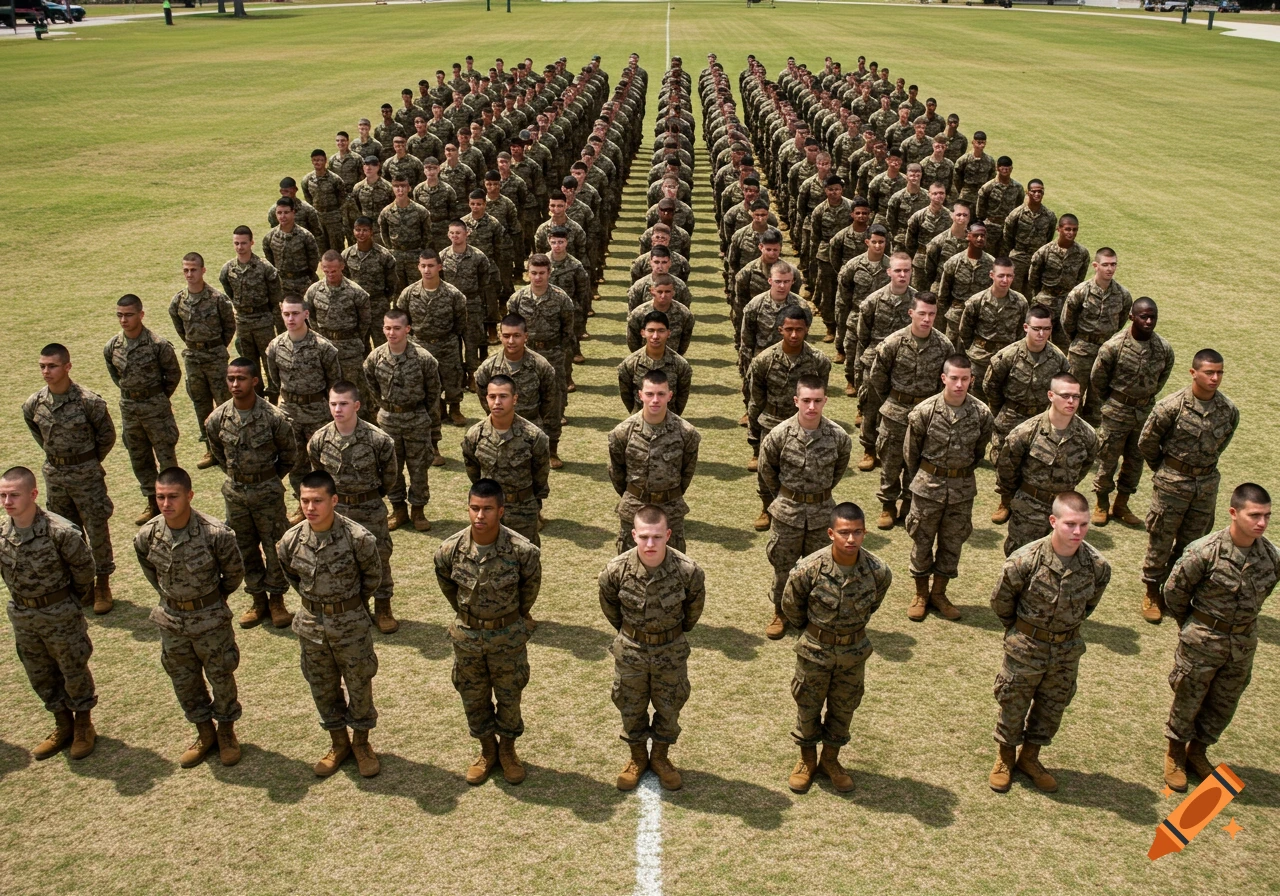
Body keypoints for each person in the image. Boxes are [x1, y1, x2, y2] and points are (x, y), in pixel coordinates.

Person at [988, 491, 1110, 794]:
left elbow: (1089, 606)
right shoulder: (1025, 560)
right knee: (1013, 701)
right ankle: (1004, 758)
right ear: (1053, 521)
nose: (1078, 532)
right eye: (1070, 524)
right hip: (1026, 646)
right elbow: (1001, 602)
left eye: (1083, 524)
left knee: (1053, 706)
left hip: (1067, 650)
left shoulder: (1097, 566)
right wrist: (1019, 631)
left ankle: (1030, 758)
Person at [1160, 482, 1277, 793]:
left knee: (1223, 703)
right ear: (1234, 513)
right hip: (1202, 641)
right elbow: (1174, 592)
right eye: (1255, 515)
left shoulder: (1271, 557)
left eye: (1267, 516)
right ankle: (1174, 754)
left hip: (1241, 644)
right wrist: (1193, 626)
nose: (1262, 523)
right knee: (1189, 697)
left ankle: (1197, 752)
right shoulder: (1205, 551)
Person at [135, 467, 245, 768]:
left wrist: (211, 599)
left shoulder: (215, 534)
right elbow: (151, 572)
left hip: (210, 620)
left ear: (189, 496)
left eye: (173, 496)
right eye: (160, 497)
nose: (166, 503)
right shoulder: (148, 535)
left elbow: (234, 573)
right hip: (171, 620)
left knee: (221, 676)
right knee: (184, 680)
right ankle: (204, 732)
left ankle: (226, 733)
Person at [435, 479, 542, 786]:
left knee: (510, 696)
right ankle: (486, 751)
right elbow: (448, 586)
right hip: (467, 637)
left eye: (487, 509)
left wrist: (511, 618)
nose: (479, 515)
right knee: (472, 695)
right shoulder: (449, 550)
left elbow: (529, 591)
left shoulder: (523, 552)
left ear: (501, 511)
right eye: (474, 508)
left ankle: (507, 752)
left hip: (507, 637)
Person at [277, 470, 383, 779]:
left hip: (351, 625)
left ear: (333, 500)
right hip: (311, 625)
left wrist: (345, 607)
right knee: (322, 686)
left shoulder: (358, 539)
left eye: (317, 501)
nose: (310, 507)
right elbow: (292, 577)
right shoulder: (290, 540)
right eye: (305, 501)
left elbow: (371, 579)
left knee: (359, 684)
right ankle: (338, 742)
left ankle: (362, 743)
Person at [780, 502, 891, 794]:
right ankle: (806, 761)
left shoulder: (878, 571)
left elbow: (874, 605)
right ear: (831, 533)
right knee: (808, 705)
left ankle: (830, 760)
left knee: (845, 707)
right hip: (815, 650)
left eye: (857, 532)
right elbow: (792, 607)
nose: (851, 539)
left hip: (854, 652)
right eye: (844, 532)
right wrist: (816, 631)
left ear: (865, 533)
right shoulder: (809, 569)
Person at [599, 504, 705, 792]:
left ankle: (660, 757)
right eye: (644, 536)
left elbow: (692, 613)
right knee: (630, 706)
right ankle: (636, 758)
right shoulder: (615, 570)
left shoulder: (688, 571)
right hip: (631, 651)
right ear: (633, 534)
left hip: (671, 651)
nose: (650, 543)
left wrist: (669, 635)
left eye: (657, 537)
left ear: (668, 534)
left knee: (670, 706)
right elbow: (611, 609)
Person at [0, 466, 98, 761]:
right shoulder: (2, 533)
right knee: (39, 673)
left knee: (72, 669)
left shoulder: (59, 531)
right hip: (24, 615)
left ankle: (83, 724)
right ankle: (62, 723)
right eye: (3, 495)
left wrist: (69, 603)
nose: (7, 502)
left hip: (60, 614)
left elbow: (84, 570)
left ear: (33, 494)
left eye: (13, 495)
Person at [1138, 349, 1239, 623]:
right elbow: (1147, 443)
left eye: (1219, 372)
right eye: (1209, 372)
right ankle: (1151, 590)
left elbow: (1221, 446)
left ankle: (1175, 591)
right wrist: (1166, 469)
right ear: (1193, 372)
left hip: (1205, 486)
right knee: (1161, 538)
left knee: (1193, 544)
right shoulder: (1171, 406)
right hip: (1172, 484)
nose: (1215, 378)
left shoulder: (1228, 411)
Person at [23, 344, 117, 615]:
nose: (46, 371)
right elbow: (37, 431)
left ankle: (102, 583)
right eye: (42, 366)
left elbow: (106, 436)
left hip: (87, 474)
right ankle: (81, 584)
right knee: (66, 531)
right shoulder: (34, 403)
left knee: (97, 528)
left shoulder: (89, 402)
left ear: (67, 366)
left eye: (51, 366)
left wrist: (86, 460)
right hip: (55, 475)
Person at [205, 358, 298, 629]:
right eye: (231, 378)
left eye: (241, 378)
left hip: (267, 493)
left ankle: (277, 600)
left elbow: (289, 456)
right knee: (245, 548)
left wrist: (265, 479)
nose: (235, 384)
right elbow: (219, 453)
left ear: (254, 381)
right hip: (235, 494)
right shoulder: (218, 418)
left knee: (274, 547)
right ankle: (257, 599)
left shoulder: (274, 417)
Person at [759, 376, 852, 639]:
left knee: (822, 568)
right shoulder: (778, 436)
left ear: (825, 401)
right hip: (787, 512)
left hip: (822, 513)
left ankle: (815, 613)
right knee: (782, 567)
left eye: (817, 401)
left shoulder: (838, 437)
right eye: (806, 400)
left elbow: (838, 471)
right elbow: (768, 472)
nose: (812, 406)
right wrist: (787, 496)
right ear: (796, 401)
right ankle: (780, 611)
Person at [903, 355, 993, 621]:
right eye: (954, 378)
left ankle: (939, 593)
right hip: (927, 487)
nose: (959, 384)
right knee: (922, 540)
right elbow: (911, 454)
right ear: (944, 378)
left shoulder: (981, 414)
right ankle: (920, 594)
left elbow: (979, 452)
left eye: (965, 379)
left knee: (953, 543)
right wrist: (922, 478)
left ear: (972, 380)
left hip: (962, 489)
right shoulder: (924, 412)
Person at [308, 382, 400, 635]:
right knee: (339, 560)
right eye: (333, 404)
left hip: (369, 507)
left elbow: (390, 476)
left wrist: (372, 496)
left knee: (379, 558)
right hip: (336, 512)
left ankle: (383, 608)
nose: (337, 409)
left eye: (343, 404)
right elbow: (319, 477)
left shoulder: (378, 440)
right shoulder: (319, 440)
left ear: (356, 405)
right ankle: (356, 609)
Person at [868, 293, 955, 535]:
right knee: (890, 460)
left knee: (918, 461)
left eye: (932, 314)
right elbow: (878, 378)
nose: (927, 319)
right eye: (922, 313)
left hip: (927, 414)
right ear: (911, 313)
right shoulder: (893, 343)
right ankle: (887, 505)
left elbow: (945, 382)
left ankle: (909, 502)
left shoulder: (944, 345)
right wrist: (895, 399)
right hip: (896, 411)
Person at [1088, 298, 1175, 530]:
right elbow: (1098, 380)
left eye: (1152, 317)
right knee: (1108, 458)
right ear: (1131, 317)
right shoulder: (1113, 347)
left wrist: (1143, 399)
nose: (1148, 321)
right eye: (1143, 316)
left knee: (1135, 461)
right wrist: (1114, 400)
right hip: (1116, 410)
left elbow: (1161, 378)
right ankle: (1101, 503)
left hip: (1144, 412)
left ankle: (1122, 504)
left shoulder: (1163, 349)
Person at [984, 306, 1071, 523]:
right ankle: (1005, 500)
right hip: (1011, 414)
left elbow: (1065, 387)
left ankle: (1027, 502)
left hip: (1042, 418)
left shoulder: (1058, 359)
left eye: (1046, 329)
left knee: (1037, 462)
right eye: (1036, 328)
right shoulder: (1008, 355)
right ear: (1026, 328)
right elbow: (991, 385)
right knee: (1005, 461)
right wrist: (1000, 410)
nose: (1041, 334)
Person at [996, 373, 1099, 556]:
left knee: (1057, 563)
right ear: (1051, 396)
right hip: (1029, 508)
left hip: (1064, 512)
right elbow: (1007, 470)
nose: (1071, 401)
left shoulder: (1088, 436)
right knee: (1019, 559)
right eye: (1065, 396)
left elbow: (1084, 467)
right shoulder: (1025, 432)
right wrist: (1013, 497)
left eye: (1076, 397)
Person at [103, 294, 181, 525]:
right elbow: (117, 376)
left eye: (128, 315)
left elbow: (173, 375)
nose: (124, 320)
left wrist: (155, 396)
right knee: (139, 457)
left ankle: (176, 501)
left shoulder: (158, 345)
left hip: (156, 408)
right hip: (130, 409)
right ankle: (152, 502)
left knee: (166, 455)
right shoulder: (112, 347)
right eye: (120, 315)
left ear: (141, 315)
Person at [364, 308, 442, 533]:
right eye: (387, 328)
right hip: (388, 419)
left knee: (419, 467)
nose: (391, 333)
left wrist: (426, 419)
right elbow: (371, 385)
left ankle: (418, 510)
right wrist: (384, 407)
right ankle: (398, 509)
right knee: (390, 467)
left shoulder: (424, 359)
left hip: (416, 418)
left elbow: (433, 393)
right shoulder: (375, 357)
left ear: (407, 329)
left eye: (397, 328)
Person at [265, 298, 343, 520]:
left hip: (317, 412)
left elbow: (334, 383)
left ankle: (330, 505)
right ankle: (303, 504)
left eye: (295, 314)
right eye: (287, 314)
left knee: (323, 461)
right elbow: (274, 379)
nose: (291, 319)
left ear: (306, 314)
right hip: (290, 412)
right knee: (296, 461)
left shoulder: (324, 348)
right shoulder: (275, 346)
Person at [608, 369, 701, 553]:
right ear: (640, 395)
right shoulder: (622, 433)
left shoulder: (686, 433)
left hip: (671, 510)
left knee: (674, 569)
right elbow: (616, 473)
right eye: (649, 394)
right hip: (633, 508)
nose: (655, 400)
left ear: (670, 396)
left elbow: (687, 472)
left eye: (661, 394)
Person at [461, 375, 551, 547]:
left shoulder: (533, 436)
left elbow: (540, 473)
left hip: (523, 509)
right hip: (488, 511)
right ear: (486, 398)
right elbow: (473, 470)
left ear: (514, 399)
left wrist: (534, 502)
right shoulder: (475, 435)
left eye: (503, 396)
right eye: (492, 397)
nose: (497, 402)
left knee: (526, 558)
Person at [747, 306, 831, 482]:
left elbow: (820, 398)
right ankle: (767, 508)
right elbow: (756, 400)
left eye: (799, 329)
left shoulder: (818, 360)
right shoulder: (764, 360)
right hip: (772, 423)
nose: (794, 335)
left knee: (804, 473)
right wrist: (754, 436)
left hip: (805, 425)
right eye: (789, 329)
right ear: (780, 330)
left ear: (807, 329)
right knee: (768, 473)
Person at [168, 252, 235, 469]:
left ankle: (229, 446)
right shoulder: (178, 301)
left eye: (193, 269)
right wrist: (196, 346)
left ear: (203, 270)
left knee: (224, 402)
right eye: (186, 270)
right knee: (200, 403)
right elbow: (181, 328)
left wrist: (214, 346)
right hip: (193, 359)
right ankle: (210, 448)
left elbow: (229, 327)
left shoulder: (217, 299)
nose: (189, 274)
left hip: (216, 356)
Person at [855, 252, 915, 472]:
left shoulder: (917, 302)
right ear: (889, 271)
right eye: (897, 270)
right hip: (875, 361)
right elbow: (863, 337)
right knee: (872, 407)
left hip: (905, 363)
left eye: (906, 270)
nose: (902, 275)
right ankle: (869, 449)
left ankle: (902, 451)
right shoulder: (873, 301)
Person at [396, 249, 470, 427]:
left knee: (452, 375)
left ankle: (454, 408)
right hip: (420, 344)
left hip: (447, 342)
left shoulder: (453, 294)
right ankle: (435, 408)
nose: (427, 270)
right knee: (425, 380)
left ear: (440, 267)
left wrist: (449, 336)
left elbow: (461, 321)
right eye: (423, 266)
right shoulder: (409, 293)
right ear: (418, 267)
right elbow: (402, 318)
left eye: (431, 266)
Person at [1060, 248, 1133, 425]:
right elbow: (1067, 322)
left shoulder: (1122, 295)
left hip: (1107, 352)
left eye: (1113, 264)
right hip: (1081, 352)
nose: (1110, 269)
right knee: (1073, 394)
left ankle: (1090, 433)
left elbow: (1121, 321)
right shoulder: (1080, 292)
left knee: (1097, 397)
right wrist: (1080, 340)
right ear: (1095, 266)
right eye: (1105, 264)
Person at [507, 253, 576, 430]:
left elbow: (567, 328)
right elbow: (512, 328)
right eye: (534, 272)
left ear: (549, 272)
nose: (538, 277)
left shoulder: (561, 298)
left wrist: (560, 350)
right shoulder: (517, 299)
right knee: (524, 386)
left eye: (542, 273)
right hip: (526, 351)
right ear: (528, 273)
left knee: (555, 387)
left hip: (553, 351)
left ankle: (556, 419)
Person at [304, 252, 374, 415]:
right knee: (328, 387)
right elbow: (310, 316)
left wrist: (352, 338)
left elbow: (364, 322)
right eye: (326, 270)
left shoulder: (356, 292)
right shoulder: (314, 291)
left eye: (334, 271)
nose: (330, 274)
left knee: (355, 389)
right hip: (324, 349)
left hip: (350, 350)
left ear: (342, 267)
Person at [220, 227, 283, 399]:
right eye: (236, 243)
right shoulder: (228, 269)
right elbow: (229, 291)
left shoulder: (265, 268)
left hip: (263, 320)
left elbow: (275, 295)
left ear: (251, 243)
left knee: (269, 359)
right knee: (248, 362)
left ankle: (275, 393)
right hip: (242, 321)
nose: (240, 247)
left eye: (243, 243)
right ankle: (256, 395)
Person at [955, 257, 1028, 403]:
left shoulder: (1020, 302)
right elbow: (965, 331)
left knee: (1001, 399)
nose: (1005, 280)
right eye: (1001, 275)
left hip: (1007, 360)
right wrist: (973, 352)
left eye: (1009, 276)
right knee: (976, 400)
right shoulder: (977, 301)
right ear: (992, 275)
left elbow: (1022, 333)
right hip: (981, 359)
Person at [1027, 214, 1089, 351]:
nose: (1071, 233)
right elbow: (1033, 278)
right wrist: (1041, 295)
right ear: (1058, 229)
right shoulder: (1044, 252)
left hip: (1067, 304)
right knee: (1038, 341)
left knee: (1063, 345)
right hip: (1045, 301)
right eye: (1067, 229)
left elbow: (1080, 280)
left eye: (1074, 230)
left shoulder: (1082, 254)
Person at [618, 311, 693, 418]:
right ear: (643, 333)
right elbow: (627, 397)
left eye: (661, 331)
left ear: (668, 333)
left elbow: (681, 399)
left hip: (670, 423)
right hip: (639, 422)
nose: (655, 336)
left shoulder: (681, 365)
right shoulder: (629, 364)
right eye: (651, 330)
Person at [341, 217, 399, 349]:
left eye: (365, 230)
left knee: (382, 343)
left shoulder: (384, 255)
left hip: (378, 305)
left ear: (372, 232)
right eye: (358, 230)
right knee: (360, 343)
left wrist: (383, 299)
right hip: (356, 307)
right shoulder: (347, 255)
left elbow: (392, 282)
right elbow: (345, 281)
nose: (361, 233)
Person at [378, 177, 432, 293]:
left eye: (403, 186)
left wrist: (420, 249)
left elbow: (427, 233)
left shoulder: (420, 211)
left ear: (409, 188)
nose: (400, 190)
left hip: (415, 255)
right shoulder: (386, 212)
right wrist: (392, 249)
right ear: (393, 189)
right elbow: (384, 233)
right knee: (398, 291)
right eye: (396, 186)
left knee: (417, 290)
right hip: (396, 256)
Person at [1003, 180, 1056, 296]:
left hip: (1038, 259)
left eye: (1040, 192)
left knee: (1033, 292)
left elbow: (1049, 237)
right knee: (1014, 292)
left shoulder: (1049, 216)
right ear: (1027, 192)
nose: (1037, 194)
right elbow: (1008, 237)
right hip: (1018, 257)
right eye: (1034, 191)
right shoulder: (1016, 214)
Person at [627, 274, 695, 356]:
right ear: (652, 291)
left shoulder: (684, 314)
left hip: (672, 361)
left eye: (667, 292)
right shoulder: (638, 314)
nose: (663, 296)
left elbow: (684, 341)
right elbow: (633, 343)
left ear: (673, 292)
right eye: (660, 292)